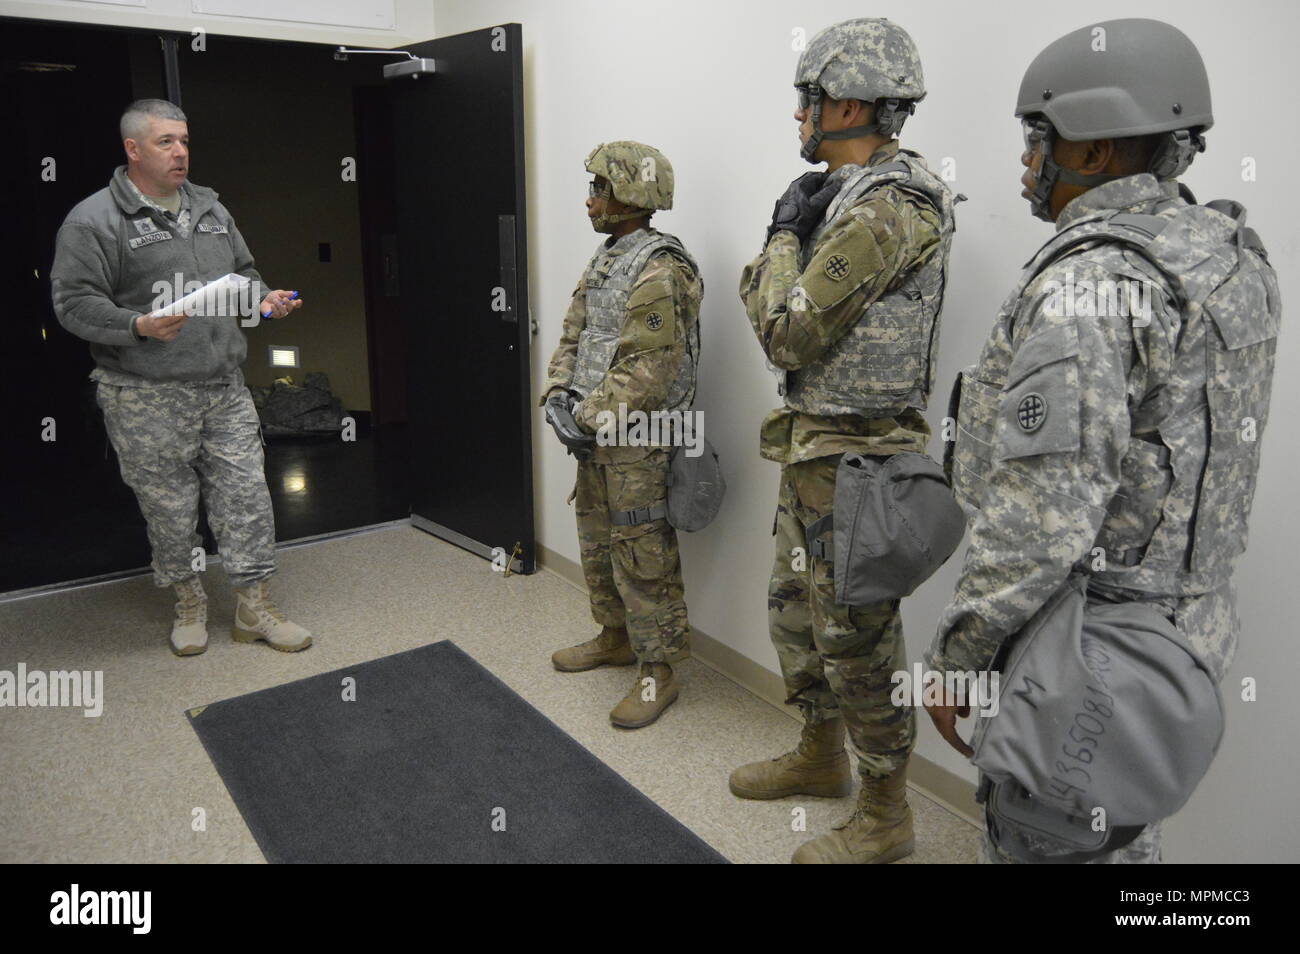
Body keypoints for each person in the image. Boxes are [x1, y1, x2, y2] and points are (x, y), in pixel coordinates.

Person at [923, 18, 1280, 863]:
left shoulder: (1093, 283)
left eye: (1035, 137)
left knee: (1049, 840)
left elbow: (1045, 517)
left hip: (1087, 643)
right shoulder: (1226, 256)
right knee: (1115, 835)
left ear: (1091, 151)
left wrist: (957, 652)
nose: (1023, 159)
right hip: (1181, 639)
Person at [735, 18, 958, 863]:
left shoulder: (891, 208)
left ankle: (886, 814)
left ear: (854, 103)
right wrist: (790, 245)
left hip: (860, 464)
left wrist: (783, 240)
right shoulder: (849, 200)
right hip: (814, 451)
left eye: (812, 97)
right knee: (798, 620)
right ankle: (819, 756)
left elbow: (785, 335)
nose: (800, 112)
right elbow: (784, 318)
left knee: (857, 641)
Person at [51, 98, 312, 657]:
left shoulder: (212, 209)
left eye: (185, 141)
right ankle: (189, 600)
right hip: (145, 394)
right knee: (169, 507)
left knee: (247, 498)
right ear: (133, 149)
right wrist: (137, 324)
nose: (180, 152)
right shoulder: (94, 219)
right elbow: (72, 304)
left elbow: (243, 274)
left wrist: (264, 302)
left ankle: (253, 605)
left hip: (223, 387)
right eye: (166, 141)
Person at [541, 141, 704, 729]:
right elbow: (573, 333)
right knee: (595, 538)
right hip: (594, 433)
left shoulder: (662, 268)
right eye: (592, 188)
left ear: (634, 194)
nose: (590, 201)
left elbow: (649, 371)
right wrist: (558, 394)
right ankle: (613, 636)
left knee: (643, 553)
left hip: (639, 438)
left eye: (600, 189)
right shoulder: (607, 258)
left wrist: (584, 418)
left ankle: (658, 671)